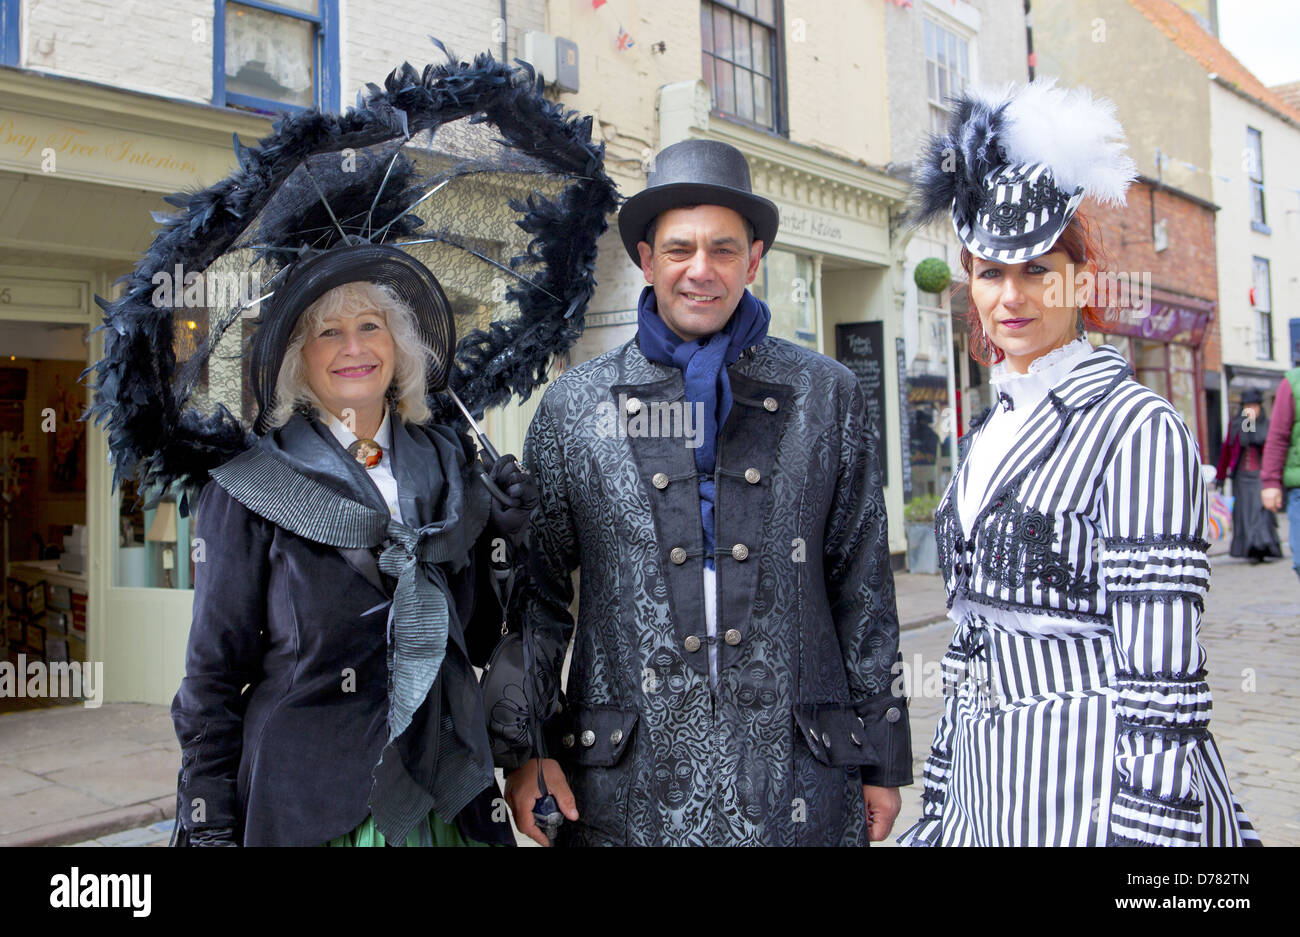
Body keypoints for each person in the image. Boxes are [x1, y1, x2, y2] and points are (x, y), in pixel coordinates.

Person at [498, 139, 912, 846]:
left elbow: (863, 584)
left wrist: (882, 757)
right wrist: (528, 749)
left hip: (798, 774)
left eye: (723, 250)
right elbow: (536, 601)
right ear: (645, 260)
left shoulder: (828, 394)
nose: (701, 270)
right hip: (625, 786)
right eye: (680, 249)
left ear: (754, 261)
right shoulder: (573, 407)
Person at [897, 81, 1260, 846]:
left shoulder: (1138, 427)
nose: (1012, 295)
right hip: (987, 789)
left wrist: (1147, 835)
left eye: (1038, 270)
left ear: (1081, 281)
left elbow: (1164, 675)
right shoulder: (993, 428)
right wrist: (941, 799)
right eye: (991, 273)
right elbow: (969, 640)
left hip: (1095, 791)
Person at [170, 244, 537, 846]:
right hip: (312, 804)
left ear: (399, 347)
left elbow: (476, 639)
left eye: (371, 327)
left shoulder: (451, 468)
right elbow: (211, 676)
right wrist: (209, 821)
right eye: (328, 333)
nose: (354, 347)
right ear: (297, 360)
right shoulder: (251, 484)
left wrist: (505, 537)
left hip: (450, 796)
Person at [1217, 388, 1281, 563]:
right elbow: (1229, 449)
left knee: (1260, 512)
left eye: (1254, 405)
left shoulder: (1267, 424)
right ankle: (1250, 548)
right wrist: (1220, 476)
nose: (1251, 409)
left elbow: (1260, 442)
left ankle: (1262, 546)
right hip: (1241, 477)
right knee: (1245, 513)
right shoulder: (1236, 424)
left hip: (1260, 475)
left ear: (1260, 407)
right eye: (1247, 406)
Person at [1261, 370, 1300, 582]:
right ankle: (1254, 550)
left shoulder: (1254, 420)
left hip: (1264, 469)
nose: (1254, 410)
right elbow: (1275, 436)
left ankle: (1262, 547)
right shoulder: (1245, 418)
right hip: (1250, 475)